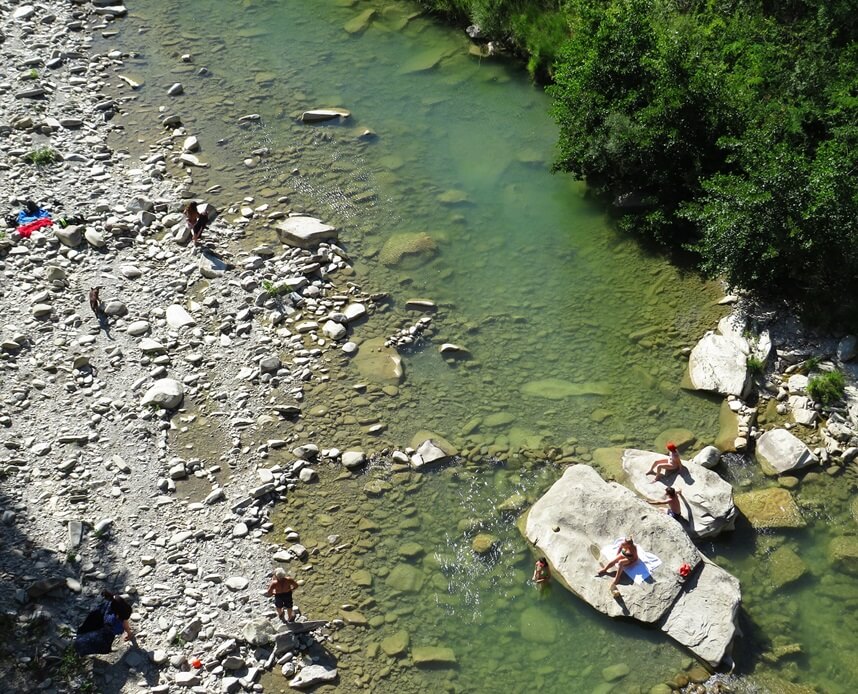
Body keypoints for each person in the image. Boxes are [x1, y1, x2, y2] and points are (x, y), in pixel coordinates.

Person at [73, 590, 133, 656]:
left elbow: (124, 621)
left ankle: (78, 647)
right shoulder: (111, 620)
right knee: (99, 642)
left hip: (96, 618)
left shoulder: (115, 600)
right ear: (118, 615)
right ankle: (81, 650)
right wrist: (129, 633)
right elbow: (121, 626)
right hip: (102, 627)